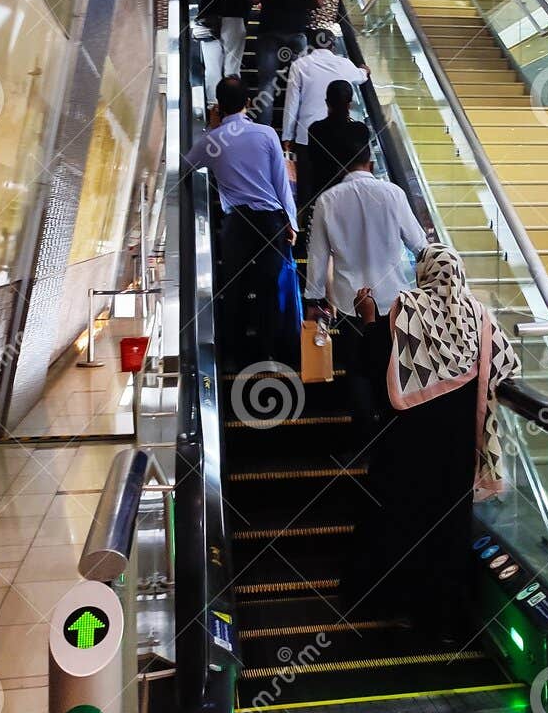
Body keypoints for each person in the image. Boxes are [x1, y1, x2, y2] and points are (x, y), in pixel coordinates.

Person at [339, 244, 521, 641]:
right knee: (448, 529)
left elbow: (375, 367)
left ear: (423, 273)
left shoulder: (407, 310)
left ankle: (397, 607)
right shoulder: (480, 317)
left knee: (402, 519)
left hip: (406, 445)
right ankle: (443, 621)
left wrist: (367, 318)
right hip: (457, 449)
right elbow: (506, 364)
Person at [304, 143, 427, 459]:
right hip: (395, 301)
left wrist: (314, 299)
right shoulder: (393, 194)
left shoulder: (327, 200)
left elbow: (318, 256)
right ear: (370, 162)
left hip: (351, 304)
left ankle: (365, 440)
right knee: (396, 367)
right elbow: (419, 244)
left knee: (358, 371)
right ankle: (397, 438)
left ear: (341, 165)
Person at [182, 76, 299, 367]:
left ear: (218, 106)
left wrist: (211, 128)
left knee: (233, 286)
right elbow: (281, 182)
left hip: (236, 223)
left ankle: (232, 354)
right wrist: (291, 221)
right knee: (268, 286)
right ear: (248, 102)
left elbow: (185, 166)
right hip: (270, 222)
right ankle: (267, 351)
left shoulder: (213, 140)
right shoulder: (266, 134)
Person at [281, 28, 366, 157]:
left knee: (307, 170)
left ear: (310, 46)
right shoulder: (345, 64)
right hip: (337, 135)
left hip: (306, 135)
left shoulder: (299, 65)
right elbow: (361, 76)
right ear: (333, 46)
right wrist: (365, 70)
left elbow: (292, 102)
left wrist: (288, 135)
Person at [298, 79, 370, 229]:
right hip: (352, 195)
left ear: (327, 102)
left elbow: (311, 165)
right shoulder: (360, 130)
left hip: (322, 194)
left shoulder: (316, 129)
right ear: (350, 104)